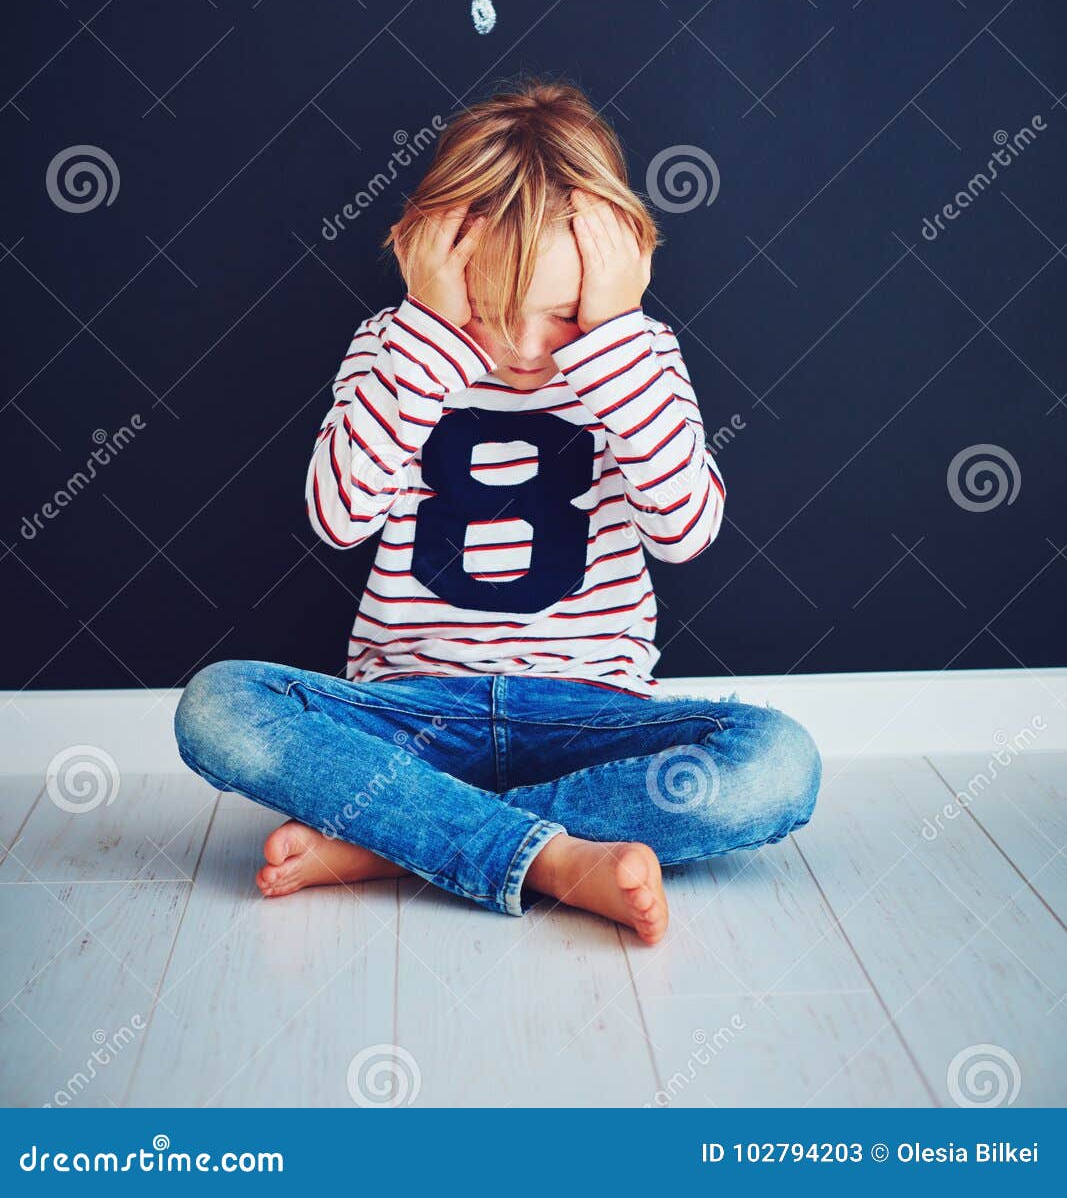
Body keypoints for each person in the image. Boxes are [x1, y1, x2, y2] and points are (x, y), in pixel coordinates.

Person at [174, 80, 821, 944]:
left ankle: (399, 843)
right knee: (217, 705)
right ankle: (550, 857)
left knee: (777, 764)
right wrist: (432, 333)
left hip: (588, 716)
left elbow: (685, 529)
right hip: (409, 713)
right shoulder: (395, 345)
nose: (521, 349)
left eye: (556, 315)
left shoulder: (639, 354)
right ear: (435, 268)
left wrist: (614, 332)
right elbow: (340, 516)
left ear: (615, 272)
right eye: (486, 312)